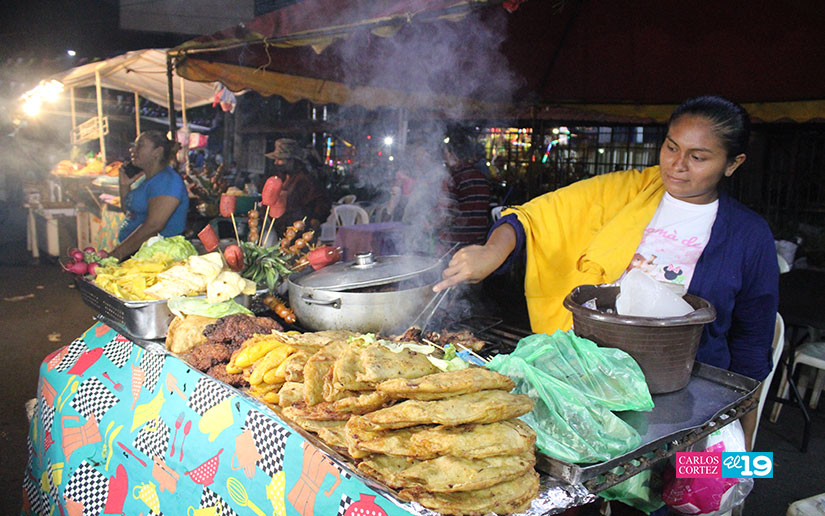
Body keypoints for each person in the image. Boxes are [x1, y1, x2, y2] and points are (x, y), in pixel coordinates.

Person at [434, 95, 779, 449]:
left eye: (698, 157)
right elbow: (537, 216)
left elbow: (752, 350)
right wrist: (492, 252)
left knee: (694, 492)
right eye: (671, 147)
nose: (677, 165)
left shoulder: (749, 236)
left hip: (685, 409)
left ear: (733, 164)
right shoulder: (626, 192)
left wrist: (744, 452)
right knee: (585, 486)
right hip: (587, 392)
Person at [110, 130, 189, 260]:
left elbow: (153, 226)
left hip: (157, 259)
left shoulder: (167, 181)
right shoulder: (145, 180)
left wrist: (115, 255)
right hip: (137, 255)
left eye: (140, 145)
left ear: (157, 152)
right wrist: (124, 185)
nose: (132, 149)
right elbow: (130, 213)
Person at [437, 126, 491, 249]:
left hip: (455, 244)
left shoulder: (453, 178)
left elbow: (447, 214)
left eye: (446, 154)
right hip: (479, 243)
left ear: (453, 155)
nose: (445, 159)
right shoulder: (481, 177)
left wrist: (431, 225)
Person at [264, 138, 331, 235]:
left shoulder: (306, 179)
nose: (276, 163)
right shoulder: (281, 177)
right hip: (280, 230)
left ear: (293, 160)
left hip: (299, 231)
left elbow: (322, 202)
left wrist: (316, 219)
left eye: (280, 159)